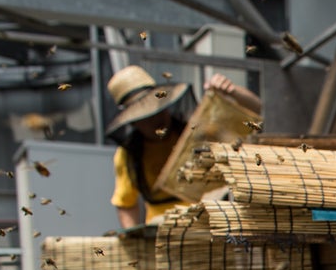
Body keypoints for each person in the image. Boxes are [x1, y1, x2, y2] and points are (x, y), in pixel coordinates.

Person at [105, 66, 262, 228]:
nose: (156, 119)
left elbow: (258, 115)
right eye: (145, 116)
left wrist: (232, 92)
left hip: (211, 223)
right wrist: (135, 243)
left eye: (157, 109)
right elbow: (125, 204)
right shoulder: (128, 155)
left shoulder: (197, 133)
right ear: (134, 122)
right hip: (162, 232)